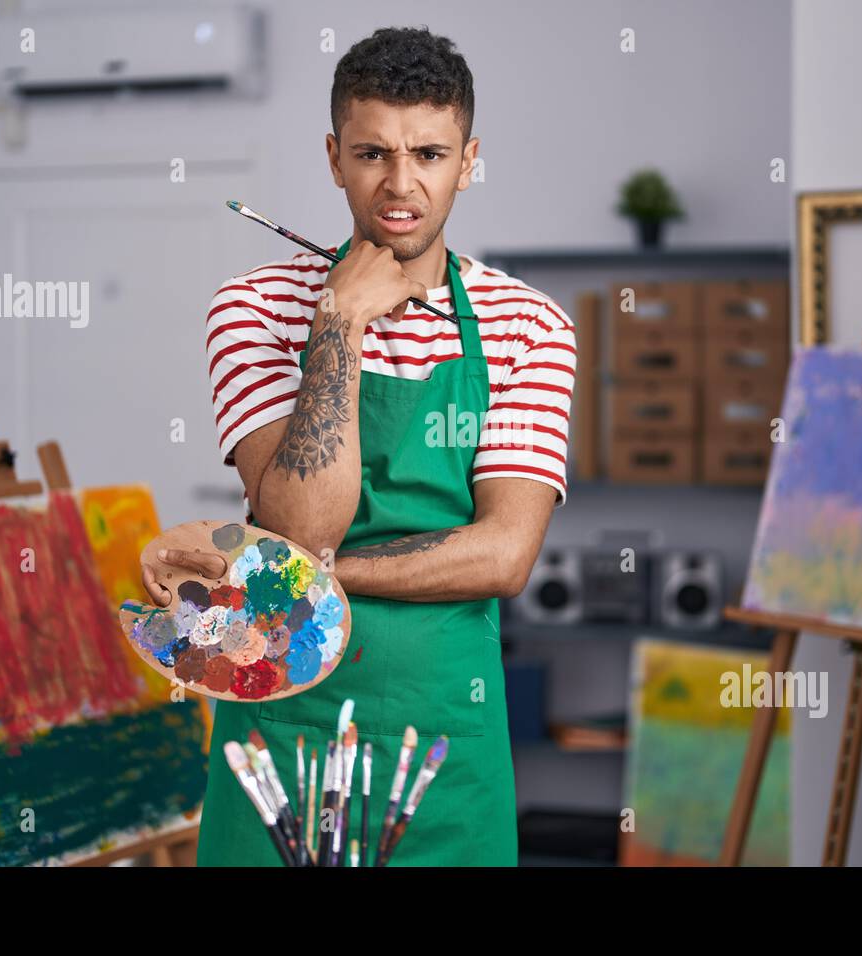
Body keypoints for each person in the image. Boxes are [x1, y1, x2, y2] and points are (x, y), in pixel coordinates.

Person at [147, 25, 575, 866]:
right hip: (280, 724)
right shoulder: (254, 309)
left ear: (469, 158)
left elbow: (503, 555)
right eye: (374, 152)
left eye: (430, 153)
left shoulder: (531, 325)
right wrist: (338, 325)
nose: (402, 183)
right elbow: (305, 526)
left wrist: (317, 578)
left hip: (444, 734)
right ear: (335, 156)